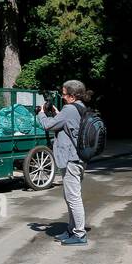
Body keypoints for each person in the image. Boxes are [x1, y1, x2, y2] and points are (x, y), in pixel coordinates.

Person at [37, 79, 91, 247]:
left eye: (64, 93)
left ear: (73, 96)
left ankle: (79, 234)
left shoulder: (69, 109)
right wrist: (57, 112)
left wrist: (41, 112)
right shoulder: (81, 108)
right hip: (79, 157)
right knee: (70, 196)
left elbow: (47, 125)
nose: (62, 95)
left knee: (73, 198)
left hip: (71, 159)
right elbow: (68, 124)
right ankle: (71, 229)